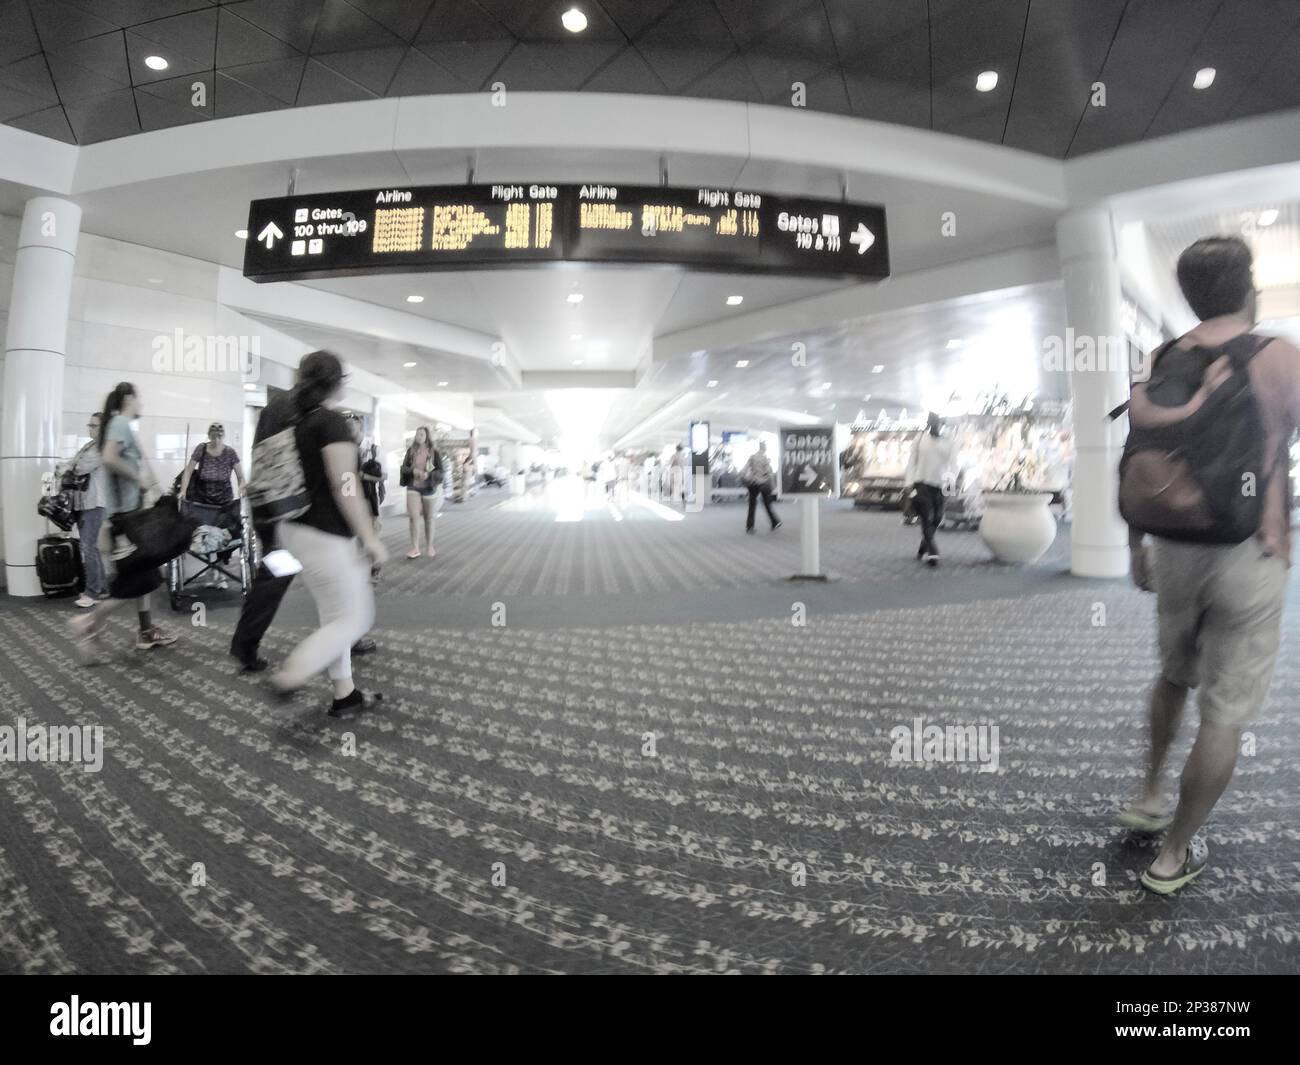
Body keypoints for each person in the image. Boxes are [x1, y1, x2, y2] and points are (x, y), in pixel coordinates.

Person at [1121, 236, 1300, 895]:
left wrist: (1135, 544)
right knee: (1223, 711)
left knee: (1172, 675)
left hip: (1173, 546)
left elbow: (1146, 449)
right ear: (1248, 284)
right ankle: (1171, 856)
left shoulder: (1165, 355)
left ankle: (1146, 794)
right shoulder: (1279, 355)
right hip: (1250, 549)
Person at [258, 351, 387, 717]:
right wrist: (371, 538)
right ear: (337, 382)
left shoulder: (297, 422)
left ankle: (344, 694)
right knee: (354, 619)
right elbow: (345, 486)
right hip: (326, 535)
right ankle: (290, 675)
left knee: (335, 617)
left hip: (294, 530)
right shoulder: (330, 423)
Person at [68, 383, 177, 660]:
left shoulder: (120, 426)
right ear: (129, 399)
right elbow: (110, 458)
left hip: (126, 519)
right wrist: (138, 478)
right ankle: (88, 622)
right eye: (139, 399)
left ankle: (146, 630)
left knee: (144, 577)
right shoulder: (119, 422)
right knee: (132, 584)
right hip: (127, 522)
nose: (141, 404)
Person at [905, 413, 955, 566]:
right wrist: (909, 483)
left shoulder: (948, 441)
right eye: (930, 423)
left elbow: (953, 463)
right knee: (926, 517)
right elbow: (912, 461)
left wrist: (950, 481)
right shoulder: (920, 439)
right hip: (921, 484)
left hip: (939, 485)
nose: (933, 426)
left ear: (941, 423)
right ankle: (933, 552)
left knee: (937, 518)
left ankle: (924, 545)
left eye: (936, 423)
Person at [69, 412, 107, 608]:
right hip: (85, 503)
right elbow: (72, 464)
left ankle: (92, 592)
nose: (90, 428)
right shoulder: (89, 445)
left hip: (94, 503)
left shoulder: (102, 447)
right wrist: (69, 465)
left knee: (88, 548)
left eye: (94, 425)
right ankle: (100, 588)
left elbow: (78, 467)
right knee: (91, 547)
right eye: (89, 425)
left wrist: (69, 466)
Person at [179, 423, 244, 506]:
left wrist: (242, 488)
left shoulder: (230, 452)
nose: (216, 441)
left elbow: (241, 477)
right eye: (214, 438)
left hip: (224, 502)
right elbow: (188, 472)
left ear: (223, 436)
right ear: (209, 436)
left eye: (219, 437)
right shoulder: (201, 449)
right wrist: (183, 491)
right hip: (202, 500)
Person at [400, 427, 442, 558]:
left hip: (428, 487)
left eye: (421, 434)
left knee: (428, 518)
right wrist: (414, 471)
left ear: (427, 436)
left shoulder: (434, 452)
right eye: (417, 434)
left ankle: (429, 545)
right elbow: (404, 468)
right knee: (413, 517)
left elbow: (441, 472)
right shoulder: (411, 451)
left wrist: (428, 475)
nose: (419, 436)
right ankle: (415, 548)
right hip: (413, 486)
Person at [741, 441, 781, 534]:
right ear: (764, 448)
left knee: (752, 505)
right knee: (767, 504)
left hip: (753, 484)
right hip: (763, 484)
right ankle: (774, 522)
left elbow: (744, 469)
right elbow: (769, 473)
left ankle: (749, 526)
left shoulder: (752, 457)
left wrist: (743, 478)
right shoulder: (765, 459)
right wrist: (773, 485)